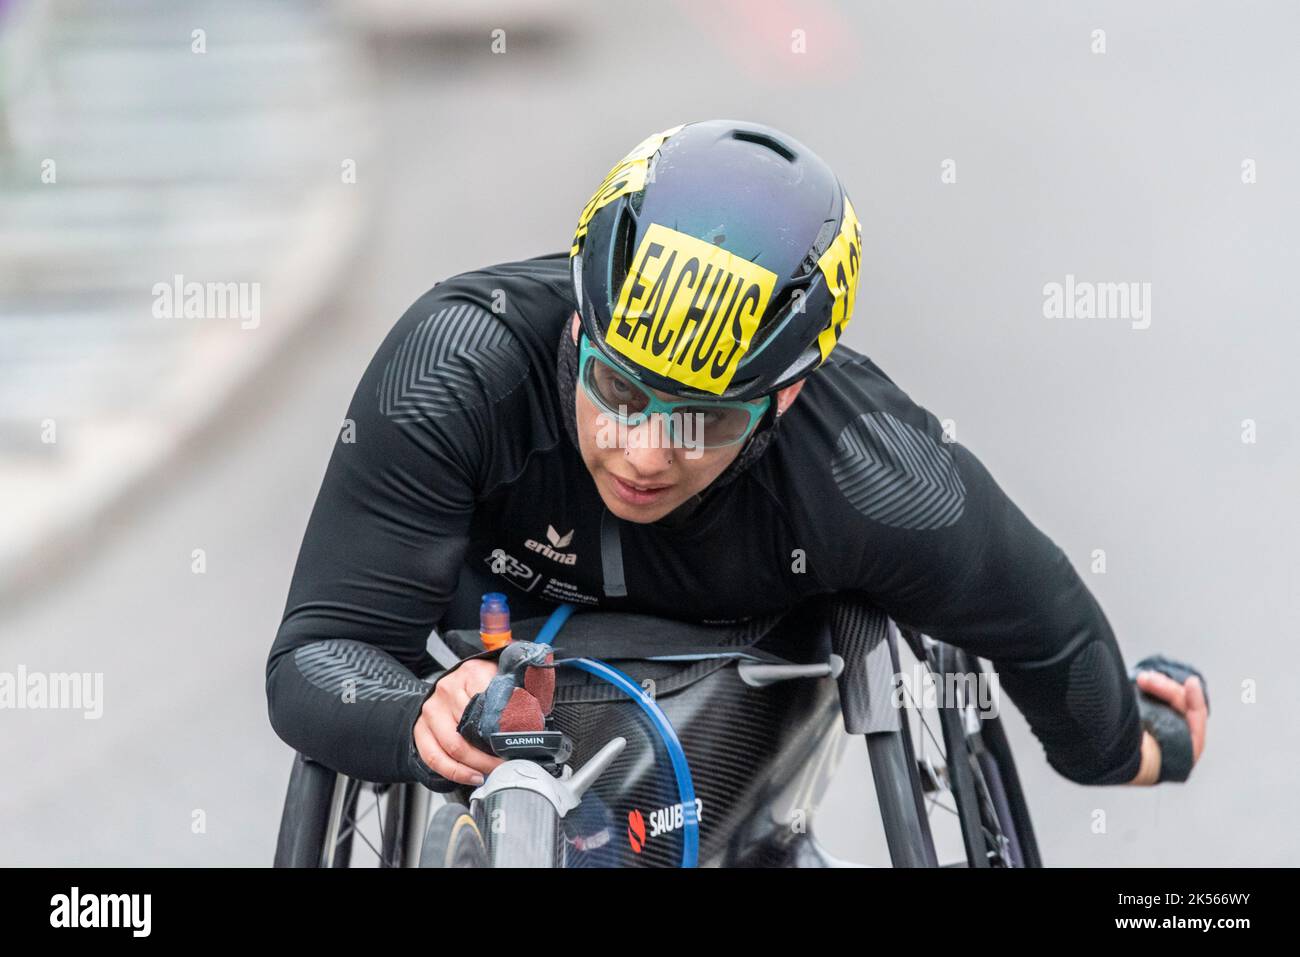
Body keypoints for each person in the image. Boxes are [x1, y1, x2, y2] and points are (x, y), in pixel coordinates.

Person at [265, 119, 1207, 801]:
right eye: (618, 390)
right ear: (585, 327)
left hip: (743, 726)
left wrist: (1131, 744)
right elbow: (318, 653)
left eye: (701, 420)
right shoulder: (458, 366)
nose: (640, 453)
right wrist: (415, 713)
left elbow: (1048, 633)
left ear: (784, 396)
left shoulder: (871, 467)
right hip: (496, 665)